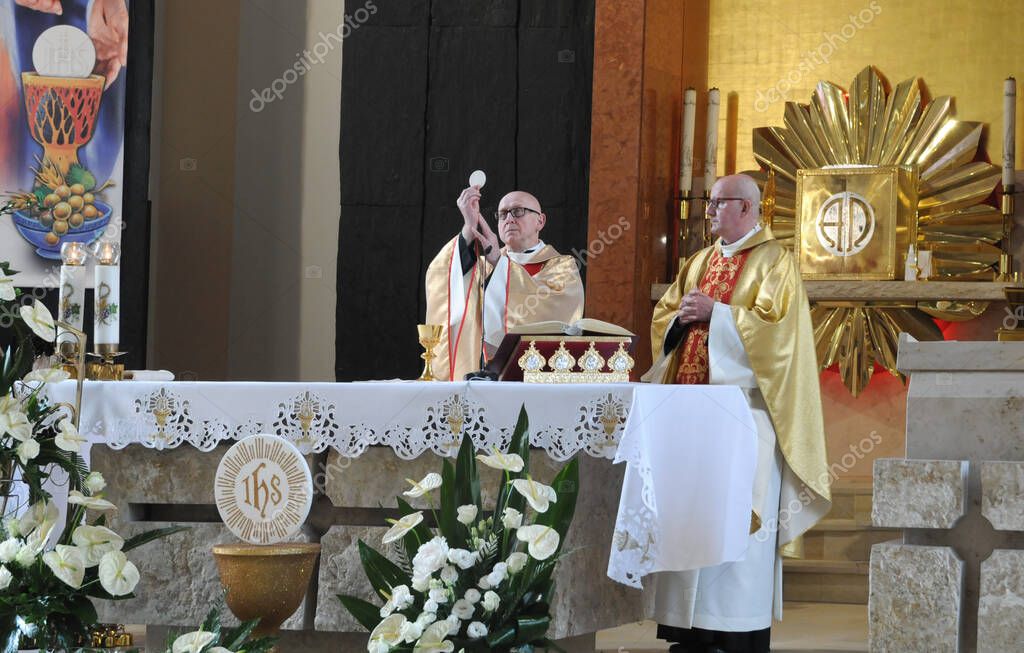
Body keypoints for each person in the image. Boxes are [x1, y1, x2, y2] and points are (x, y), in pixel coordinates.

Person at [642, 174, 831, 653]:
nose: (708, 211)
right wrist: (680, 319)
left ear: (747, 208)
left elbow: (781, 336)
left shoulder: (776, 262)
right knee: (689, 519)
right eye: (709, 203)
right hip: (689, 415)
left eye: (718, 202)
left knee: (738, 523)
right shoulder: (698, 261)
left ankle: (734, 633)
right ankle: (687, 634)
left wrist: (720, 315)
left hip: (744, 416)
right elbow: (666, 315)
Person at [425, 185, 584, 381]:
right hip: (481, 375)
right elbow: (445, 279)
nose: (509, 218)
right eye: (502, 214)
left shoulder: (561, 266)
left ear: (540, 221)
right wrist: (469, 228)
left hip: (536, 378)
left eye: (518, 211)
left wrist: (499, 263)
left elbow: (555, 312)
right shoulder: (483, 266)